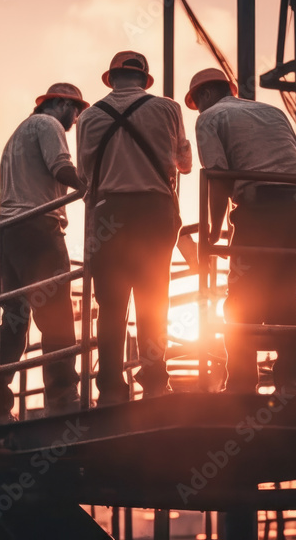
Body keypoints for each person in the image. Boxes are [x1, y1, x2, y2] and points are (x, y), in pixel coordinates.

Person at [187, 68, 296, 395]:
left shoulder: (210, 117)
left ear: (204, 95)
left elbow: (218, 177)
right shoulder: (270, 111)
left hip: (261, 211)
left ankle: (242, 387)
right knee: (285, 296)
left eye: (197, 103)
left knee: (240, 301)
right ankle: (293, 385)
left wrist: (212, 233)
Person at [76, 51, 191, 405]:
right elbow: (184, 164)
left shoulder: (88, 116)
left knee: (110, 304)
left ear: (111, 78)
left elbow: (83, 176)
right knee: (154, 298)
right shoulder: (168, 108)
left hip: (109, 211)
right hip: (154, 210)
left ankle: (110, 389)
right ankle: (155, 383)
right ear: (144, 79)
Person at [0, 82, 87, 421]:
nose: (76, 118)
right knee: (58, 317)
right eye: (74, 109)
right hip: (36, 228)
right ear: (58, 103)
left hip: (5, 230)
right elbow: (61, 167)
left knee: (14, 323)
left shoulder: (17, 134)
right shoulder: (48, 125)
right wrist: (92, 186)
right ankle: (63, 400)